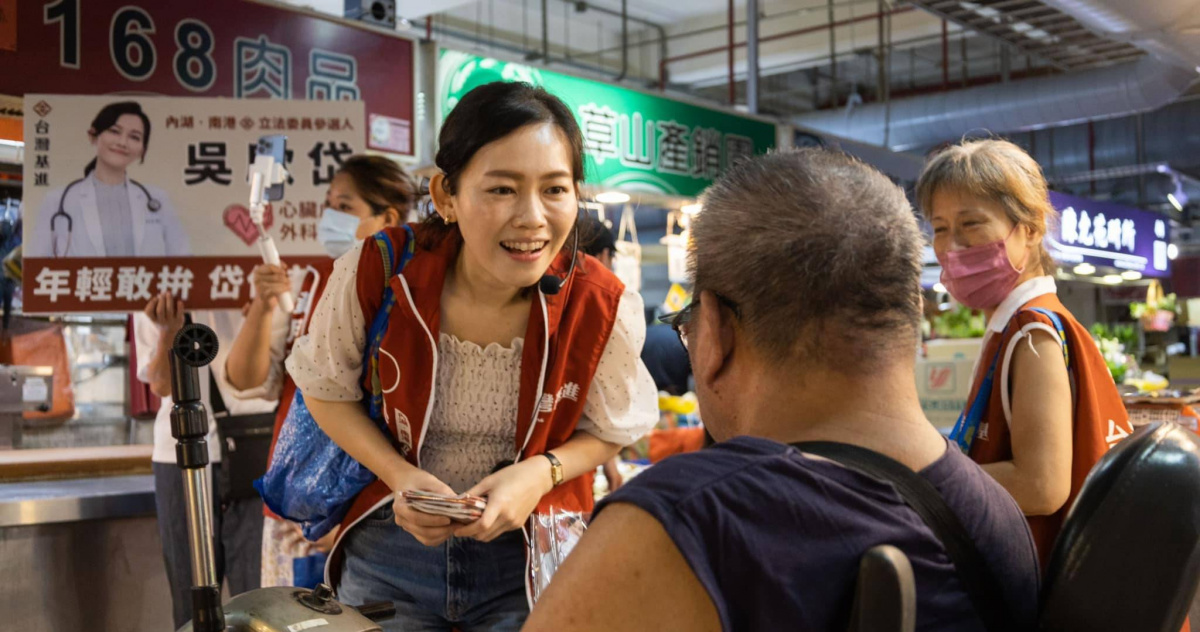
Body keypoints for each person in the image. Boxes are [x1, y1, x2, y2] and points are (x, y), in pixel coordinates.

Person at [524, 148, 1040, 631]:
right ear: (912, 318)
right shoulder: (999, 517)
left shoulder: (691, 521)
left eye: (688, 328)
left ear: (715, 332)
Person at [285, 81, 658, 630]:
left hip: (531, 559)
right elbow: (324, 389)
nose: (532, 217)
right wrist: (399, 476)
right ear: (445, 196)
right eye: (502, 189)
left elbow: (613, 425)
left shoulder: (600, 302)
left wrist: (539, 472)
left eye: (555, 189)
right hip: (391, 550)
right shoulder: (379, 269)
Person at [916, 138, 1135, 568]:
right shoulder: (1016, 326)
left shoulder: (1032, 334)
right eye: (940, 228)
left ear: (1031, 229)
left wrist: (924, 480)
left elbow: (1041, 484)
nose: (951, 247)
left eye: (971, 224)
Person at [224, 154, 416, 588]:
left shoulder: (408, 291)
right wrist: (263, 305)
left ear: (386, 217)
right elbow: (247, 378)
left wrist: (345, 507)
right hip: (296, 507)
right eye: (329, 204)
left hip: (372, 509)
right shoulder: (311, 282)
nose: (330, 217)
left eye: (344, 207)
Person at [134, 294, 275, 629]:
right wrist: (170, 329)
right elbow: (162, 383)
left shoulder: (263, 272)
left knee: (260, 603)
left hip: (256, 449)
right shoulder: (154, 277)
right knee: (190, 603)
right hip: (178, 454)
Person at [29, 101, 190, 258]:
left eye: (134, 137)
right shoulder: (57, 200)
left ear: (142, 149)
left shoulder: (157, 200)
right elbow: (37, 264)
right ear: (93, 136)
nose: (122, 142)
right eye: (114, 131)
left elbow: (183, 258)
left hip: (143, 284)